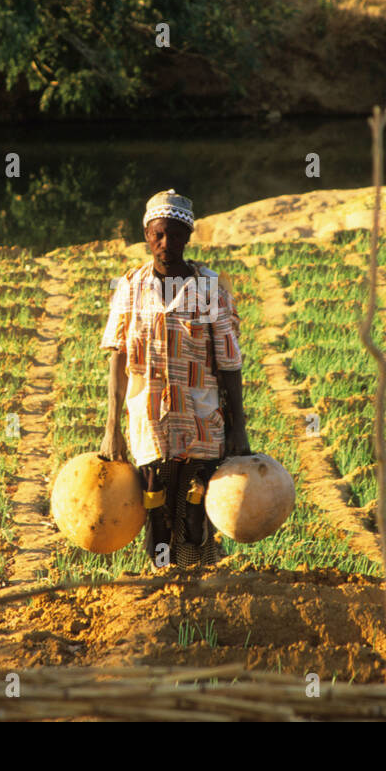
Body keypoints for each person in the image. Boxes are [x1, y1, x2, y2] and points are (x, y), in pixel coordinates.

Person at [99, 189, 251, 567]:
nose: (166, 243)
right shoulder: (130, 289)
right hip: (149, 420)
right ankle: (163, 581)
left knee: (198, 502)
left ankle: (198, 575)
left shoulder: (210, 289)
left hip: (201, 419)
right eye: (157, 234)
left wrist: (238, 427)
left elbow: (230, 364)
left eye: (175, 234)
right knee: (156, 500)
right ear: (146, 234)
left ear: (188, 235)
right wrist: (111, 426)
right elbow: (117, 358)